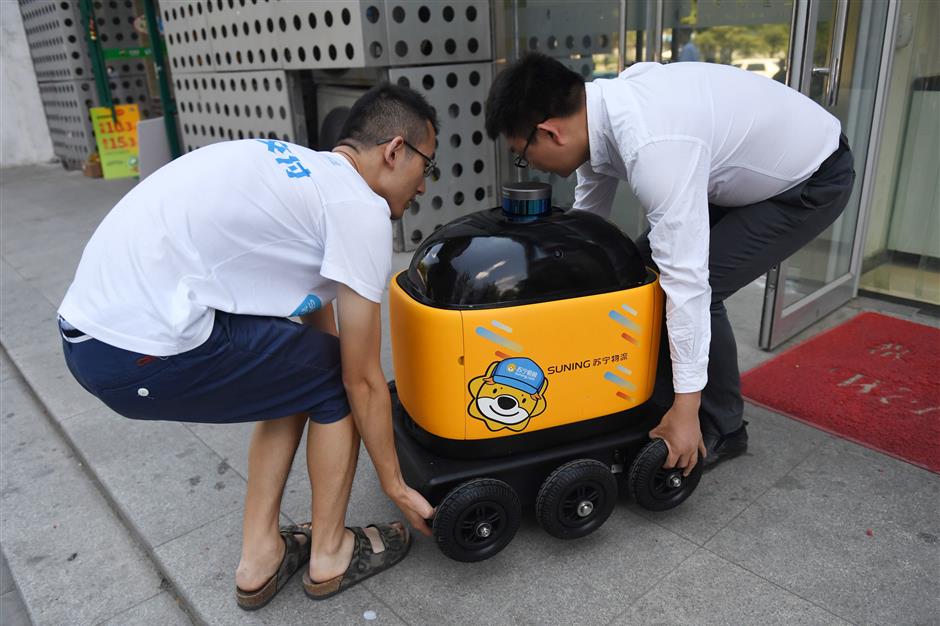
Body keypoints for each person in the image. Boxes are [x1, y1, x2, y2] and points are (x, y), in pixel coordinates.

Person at [58, 83, 440, 608]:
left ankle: (260, 557)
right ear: (395, 150)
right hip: (134, 347)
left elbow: (311, 344)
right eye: (428, 166)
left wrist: (327, 387)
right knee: (336, 379)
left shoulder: (305, 178)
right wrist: (396, 486)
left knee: (303, 371)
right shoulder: (359, 206)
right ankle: (330, 551)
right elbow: (360, 378)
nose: (423, 186)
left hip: (91, 333)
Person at [484, 53, 854, 475]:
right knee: (640, 269)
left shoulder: (654, 145)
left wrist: (686, 408)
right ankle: (657, 396)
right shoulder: (601, 111)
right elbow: (588, 221)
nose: (529, 166)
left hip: (809, 177)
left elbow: (688, 282)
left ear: (550, 132)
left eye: (522, 155)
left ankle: (718, 424)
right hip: (737, 168)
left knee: (696, 285)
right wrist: (554, 288)